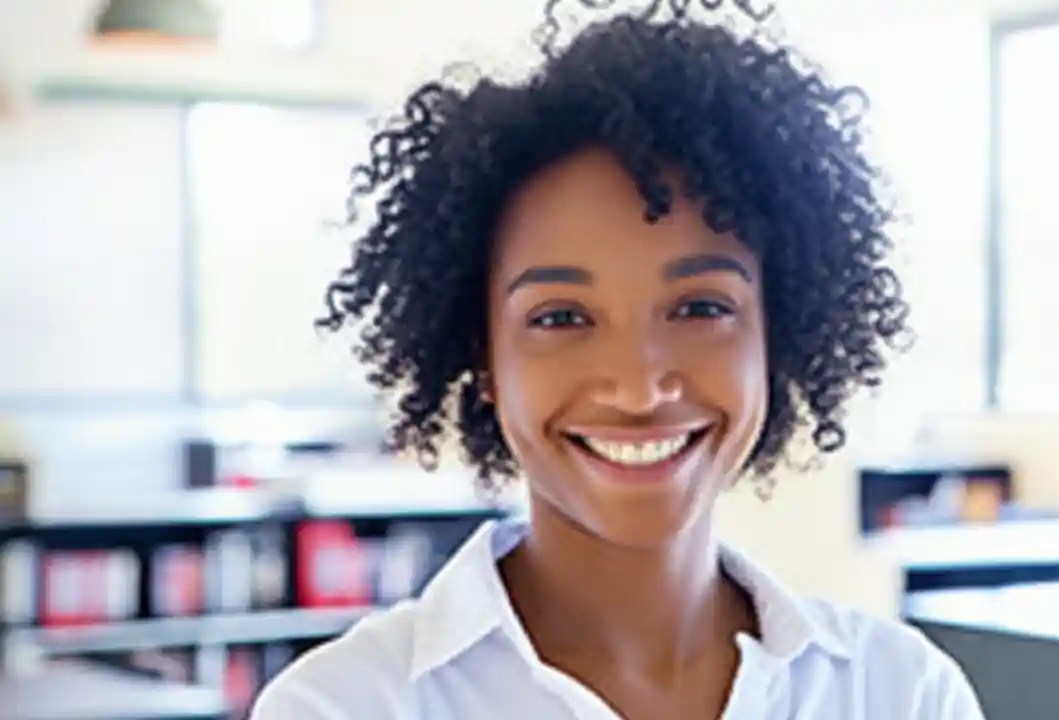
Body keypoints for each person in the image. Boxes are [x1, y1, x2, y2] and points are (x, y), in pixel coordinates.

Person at [253, 0, 984, 717]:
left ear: (778, 329)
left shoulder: (902, 693)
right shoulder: (344, 706)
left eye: (700, 308)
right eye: (561, 317)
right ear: (482, 355)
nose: (639, 387)